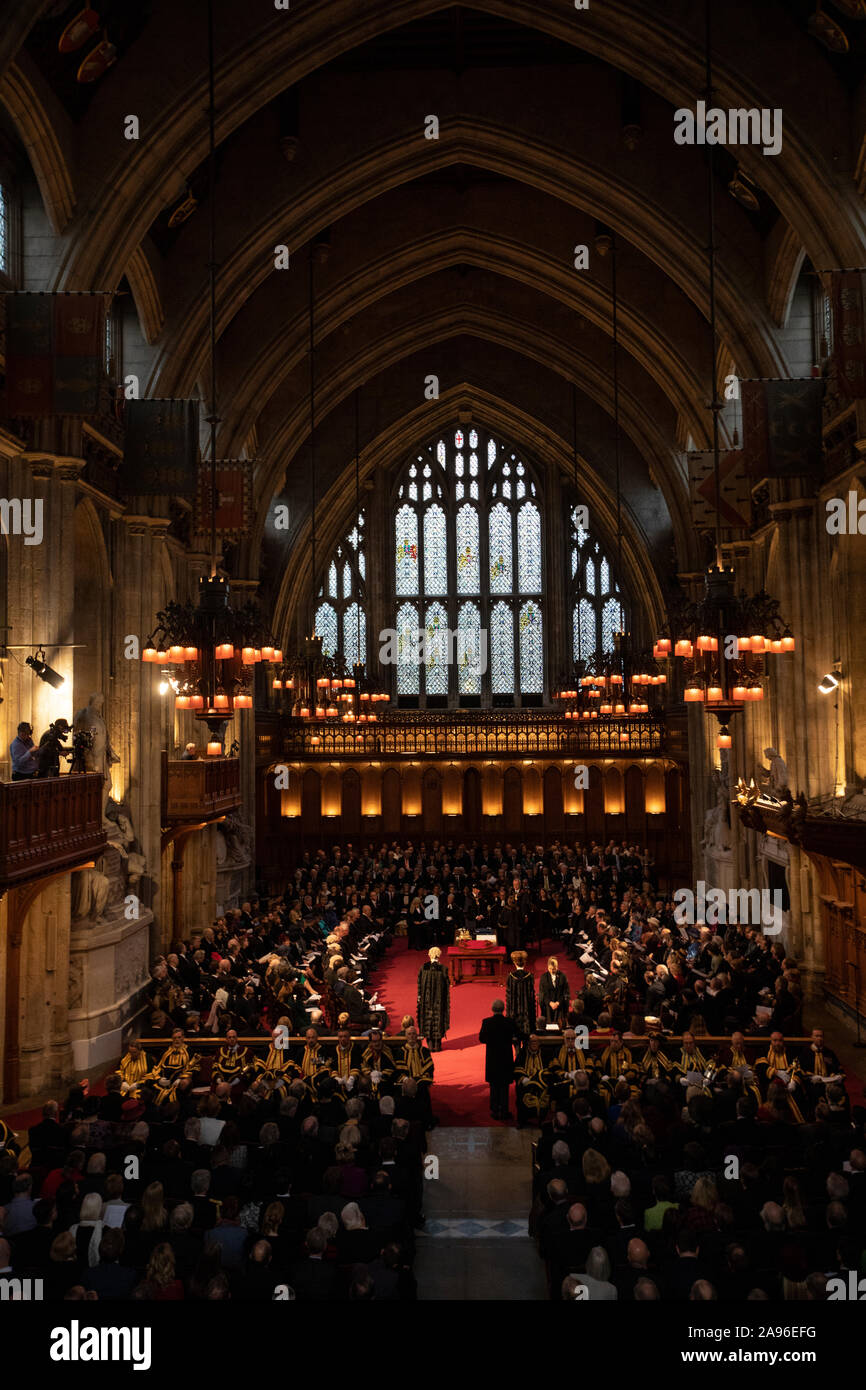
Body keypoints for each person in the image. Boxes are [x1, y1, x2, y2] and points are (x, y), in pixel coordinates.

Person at [479, 999, 517, 1121]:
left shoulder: (486, 1022)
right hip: (506, 1057)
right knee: (504, 1085)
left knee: (494, 1084)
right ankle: (504, 1111)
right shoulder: (509, 1022)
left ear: (492, 1009)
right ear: (503, 1009)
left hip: (493, 1058)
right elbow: (517, 1035)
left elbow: (482, 1039)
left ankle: (495, 1110)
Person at [417, 946, 450, 1052]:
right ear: (439, 955)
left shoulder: (423, 968)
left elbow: (419, 984)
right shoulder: (443, 969)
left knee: (427, 1020)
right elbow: (447, 985)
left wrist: (419, 997)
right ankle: (438, 1045)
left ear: (429, 954)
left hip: (426, 1001)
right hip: (439, 1001)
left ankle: (430, 1046)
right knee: (438, 1020)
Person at [505, 950, 536, 1040]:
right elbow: (531, 998)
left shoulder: (510, 977)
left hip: (514, 1015)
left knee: (516, 1041)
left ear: (514, 962)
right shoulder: (529, 976)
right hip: (527, 1015)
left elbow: (509, 998)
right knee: (527, 1042)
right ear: (525, 962)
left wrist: (508, 1017)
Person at [538, 956, 570, 1027]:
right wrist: (550, 1003)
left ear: (557, 967)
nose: (552, 971)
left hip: (559, 1005)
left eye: (554, 969)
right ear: (547, 967)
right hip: (548, 1005)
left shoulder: (563, 977)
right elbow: (542, 994)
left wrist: (558, 1003)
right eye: (550, 969)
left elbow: (565, 993)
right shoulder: (543, 977)